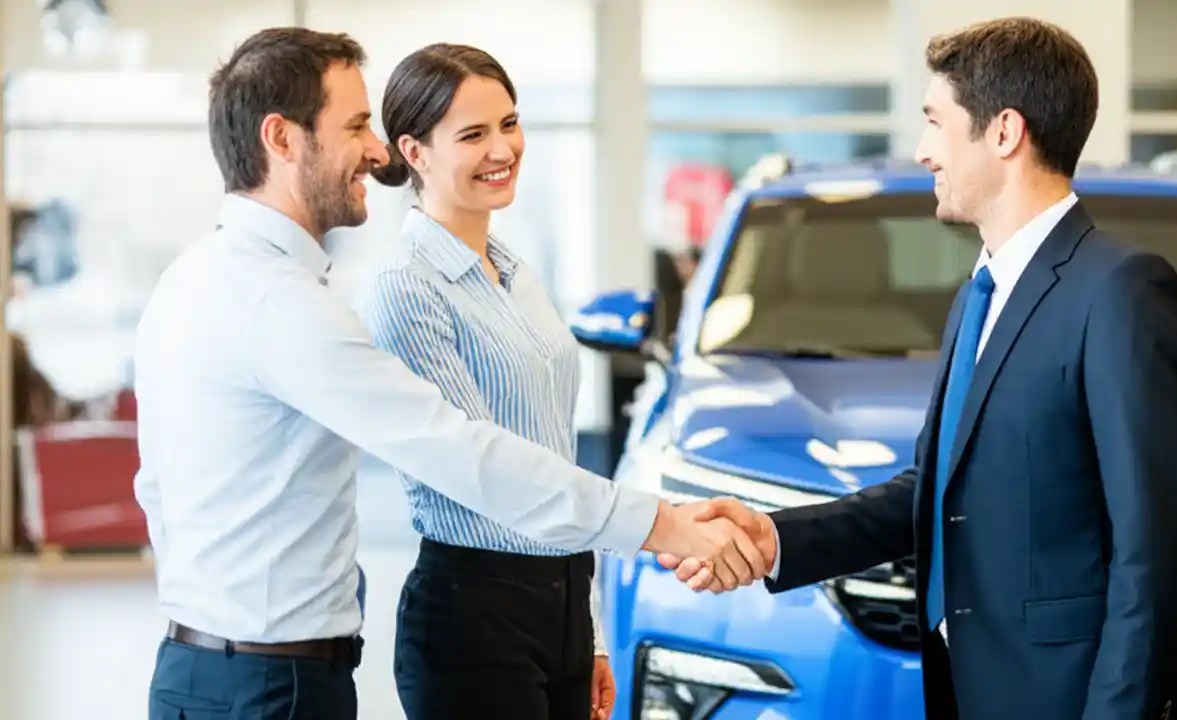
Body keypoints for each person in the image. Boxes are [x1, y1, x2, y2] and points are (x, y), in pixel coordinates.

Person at [132, 27, 767, 720]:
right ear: (282, 140)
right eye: (355, 126)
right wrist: (663, 525)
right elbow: (463, 454)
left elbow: (156, 487)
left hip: (210, 666)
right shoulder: (287, 306)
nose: (376, 151)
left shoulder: (194, 280)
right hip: (272, 683)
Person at [669, 16, 1177, 720]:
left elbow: (1153, 545)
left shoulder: (1120, 289)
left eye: (935, 123)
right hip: (971, 688)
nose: (924, 152)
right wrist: (777, 538)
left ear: (1005, 132)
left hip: (1068, 699)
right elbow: (935, 490)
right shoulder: (981, 295)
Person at [351, 43, 617, 720]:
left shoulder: (513, 270)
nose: (503, 148)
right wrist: (647, 524)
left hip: (561, 596)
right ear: (414, 152)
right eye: (473, 134)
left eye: (509, 123)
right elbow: (480, 467)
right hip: (475, 612)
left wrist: (590, 631)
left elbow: (555, 451)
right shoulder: (406, 286)